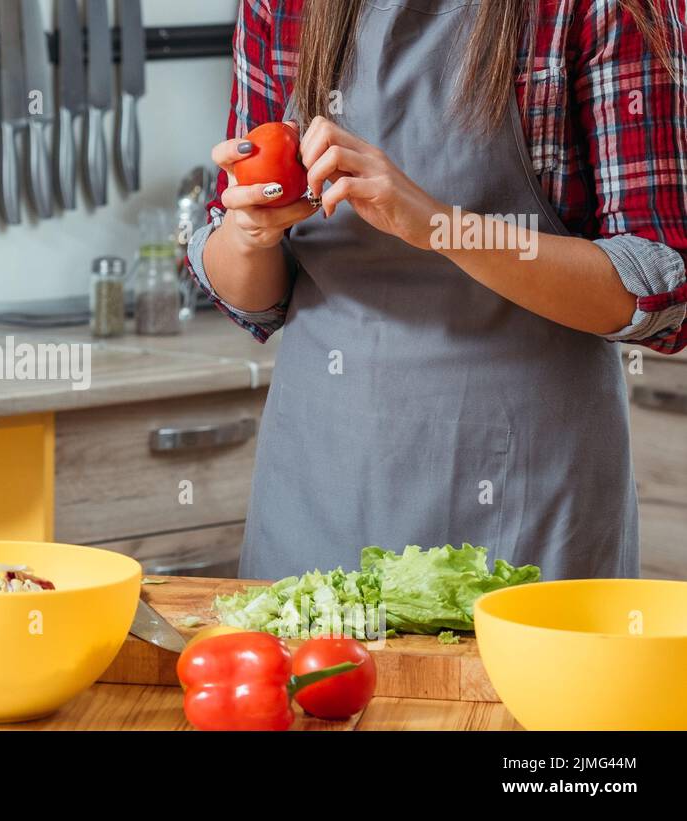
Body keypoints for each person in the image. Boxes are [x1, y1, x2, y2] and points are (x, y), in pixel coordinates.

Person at [189, 0, 685, 580]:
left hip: (528, 487)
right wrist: (248, 233)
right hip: (319, 472)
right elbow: (255, 301)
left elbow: (655, 289)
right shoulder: (279, 6)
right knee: (313, 671)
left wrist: (440, 226)